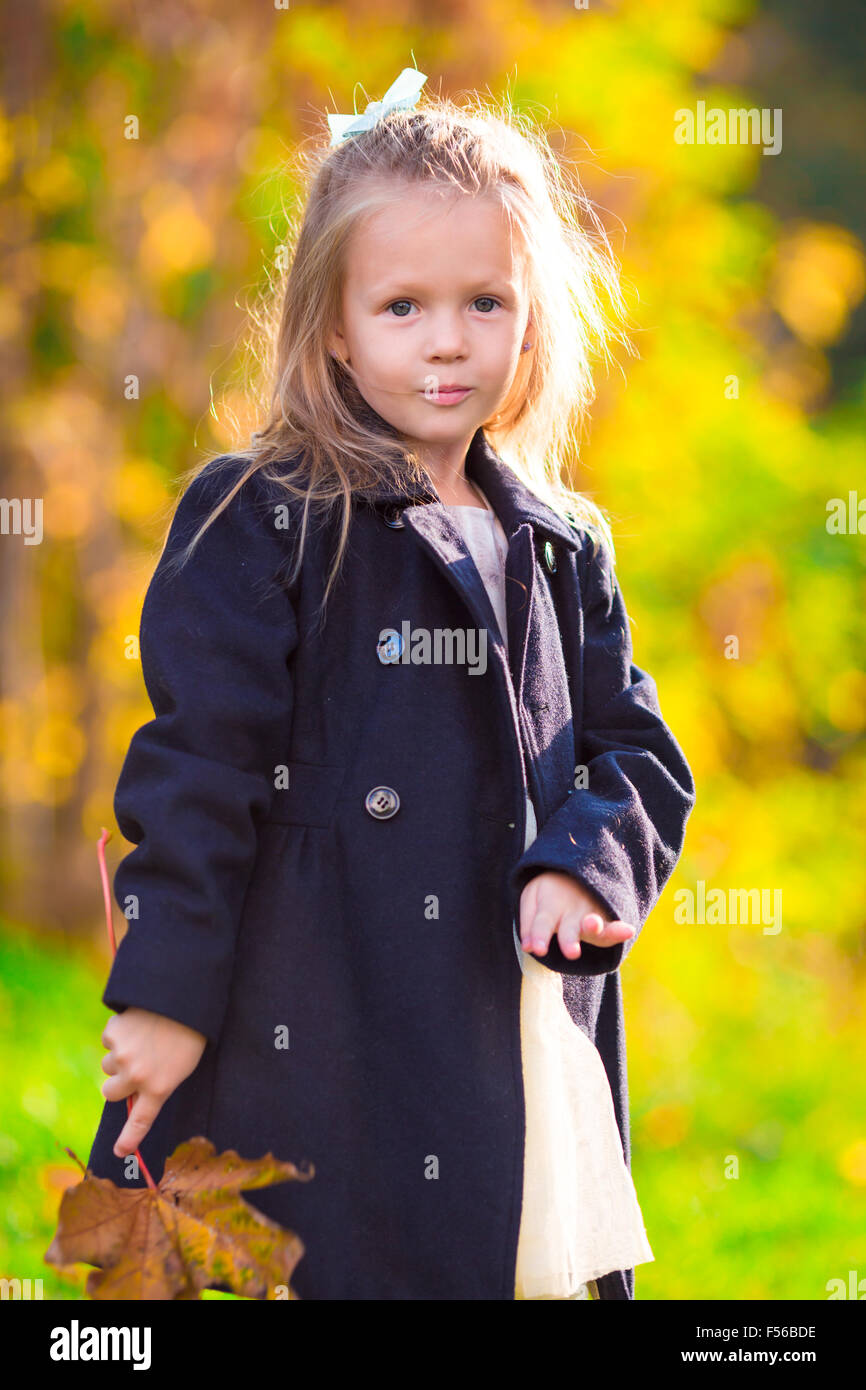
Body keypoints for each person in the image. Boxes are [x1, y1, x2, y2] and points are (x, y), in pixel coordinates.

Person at [86, 67, 696, 1301]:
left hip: (509, 1012)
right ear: (331, 324)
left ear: (529, 322)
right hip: (326, 1013)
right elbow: (197, 772)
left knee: (515, 1264)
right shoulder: (263, 518)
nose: (446, 341)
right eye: (402, 305)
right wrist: (163, 996)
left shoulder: (558, 540)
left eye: (484, 302)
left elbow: (637, 753)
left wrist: (584, 859)